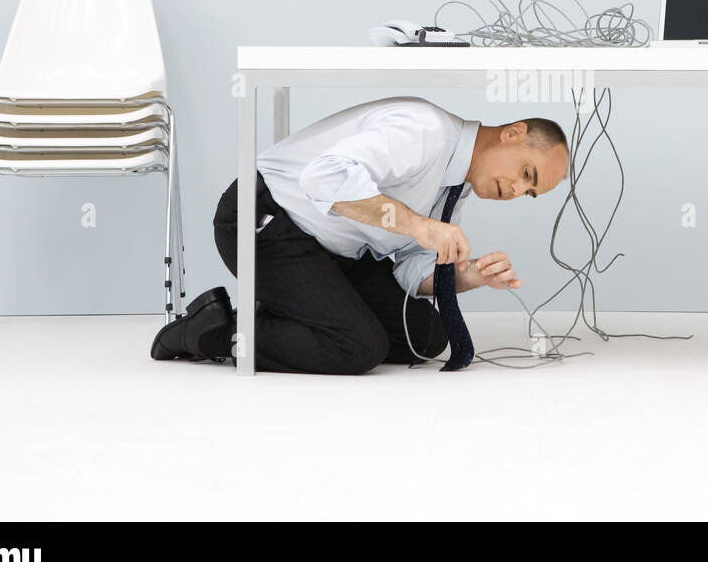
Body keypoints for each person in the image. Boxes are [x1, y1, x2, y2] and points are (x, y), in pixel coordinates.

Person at [150, 96, 569, 373]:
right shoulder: (426, 131)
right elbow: (324, 178)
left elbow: (410, 266)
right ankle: (213, 331)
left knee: (425, 337)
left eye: (528, 192)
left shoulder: (454, 186)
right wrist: (421, 226)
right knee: (357, 346)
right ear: (512, 132)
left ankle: (298, 315)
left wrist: (471, 275)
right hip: (265, 219)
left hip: (334, 250)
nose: (516, 190)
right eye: (526, 173)